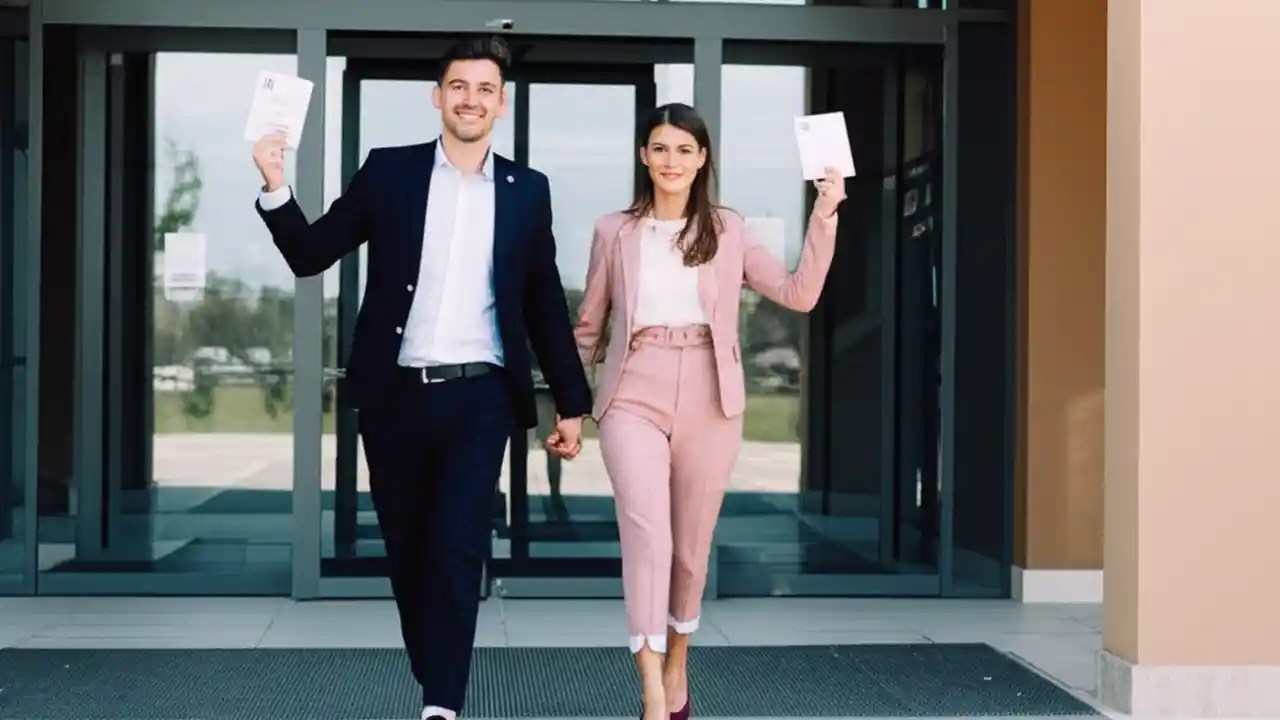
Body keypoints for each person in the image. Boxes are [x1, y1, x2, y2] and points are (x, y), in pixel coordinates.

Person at [251, 35, 591, 720]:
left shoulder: (530, 192)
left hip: (481, 395)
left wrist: (571, 403)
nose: (471, 99)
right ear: (438, 97)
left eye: (485, 89)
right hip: (396, 395)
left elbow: (544, 303)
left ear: (501, 103)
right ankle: (435, 667)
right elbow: (312, 253)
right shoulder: (390, 173)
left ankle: (443, 704)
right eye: (459, 87)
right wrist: (274, 184)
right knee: (409, 550)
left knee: (458, 542)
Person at [564, 102, 844, 720]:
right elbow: (589, 326)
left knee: (690, 549)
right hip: (633, 386)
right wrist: (567, 406)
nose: (671, 161)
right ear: (643, 156)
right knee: (648, 538)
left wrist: (825, 212)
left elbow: (800, 295)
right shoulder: (614, 230)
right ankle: (652, 694)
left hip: (711, 396)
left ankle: (677, 661)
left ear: (703, 159)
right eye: (660, 149)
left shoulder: (729, 229)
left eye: (684, 150)